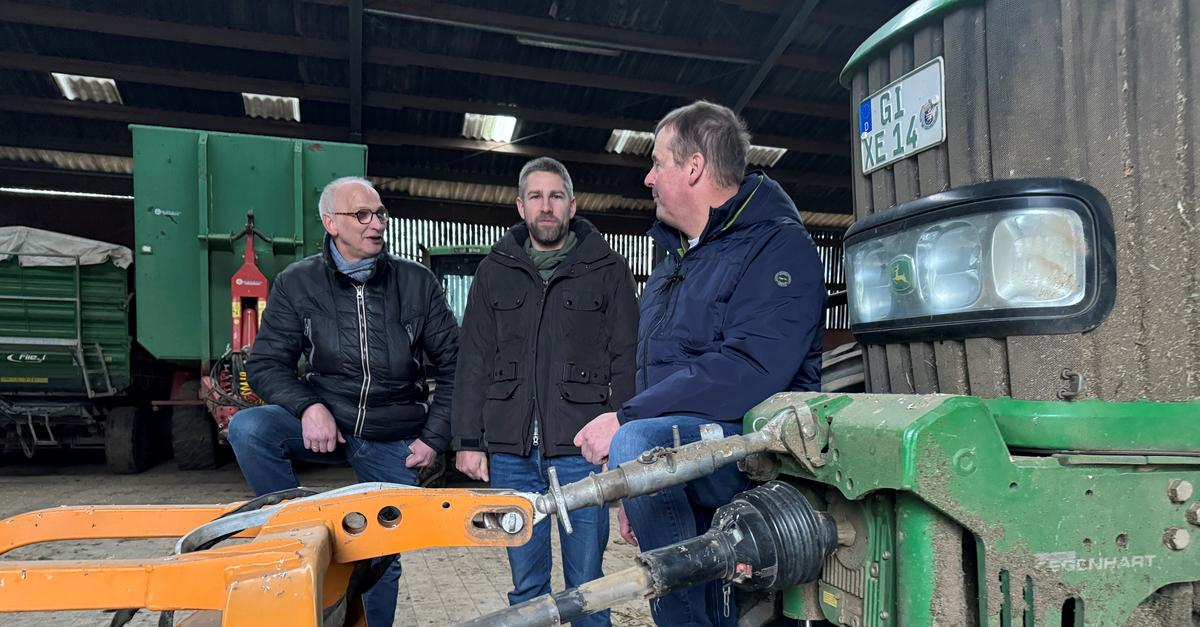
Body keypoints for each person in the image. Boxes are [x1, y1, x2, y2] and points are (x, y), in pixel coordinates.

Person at [573, 101, 826, 626]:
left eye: (658, 163)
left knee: (638, 441)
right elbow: (659, 377)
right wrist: (638, 487)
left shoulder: (778, 247)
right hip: (688, 449)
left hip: (753, 450)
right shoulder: (671, 267)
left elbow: (750, 367)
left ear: (692, 168)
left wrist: (628, 428)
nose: (648, 177)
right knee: (638, 448)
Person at [228, 176, 459, 627]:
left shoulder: (416, 282)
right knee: (249, 429)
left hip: (394, 432)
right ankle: (288, 531)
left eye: (380, 214)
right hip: (328, 422)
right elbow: (266, 364)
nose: (376, 225)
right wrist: (308, 407)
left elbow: (456, 365)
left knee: (381, 558)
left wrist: (434, 437)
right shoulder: (298, 283)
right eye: (362, 215)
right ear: (330, 222)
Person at [452, 157, 638, 626]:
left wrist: (623, 435)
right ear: (520, 206)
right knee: (527, 585)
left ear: (572, 206)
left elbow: (628, 358)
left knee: (587, 584)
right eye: (536, 197)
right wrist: (468, 441)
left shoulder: (608, 269)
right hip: (511, 454)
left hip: (582, 450)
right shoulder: (494, 271)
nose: (546, 206)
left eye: (556, 196)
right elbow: (473, 359)